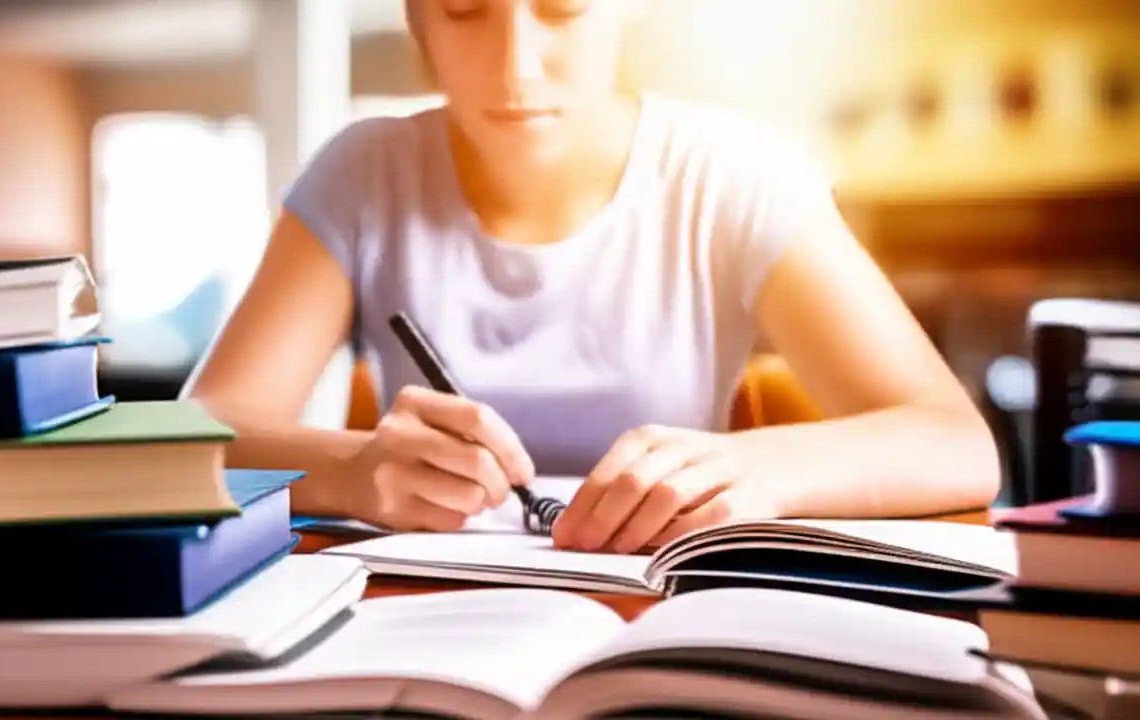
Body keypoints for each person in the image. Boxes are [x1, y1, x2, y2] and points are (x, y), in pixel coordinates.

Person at [185, 0, 1000, 554]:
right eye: (465, 5)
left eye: (563, 4)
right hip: (422, 619)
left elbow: (955, 442)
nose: (517, 64)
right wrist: (354, 471)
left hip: (667, 617)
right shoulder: (362, 174)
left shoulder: (734, 174)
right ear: (415, 14)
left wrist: (758, 470)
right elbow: (199, 440)